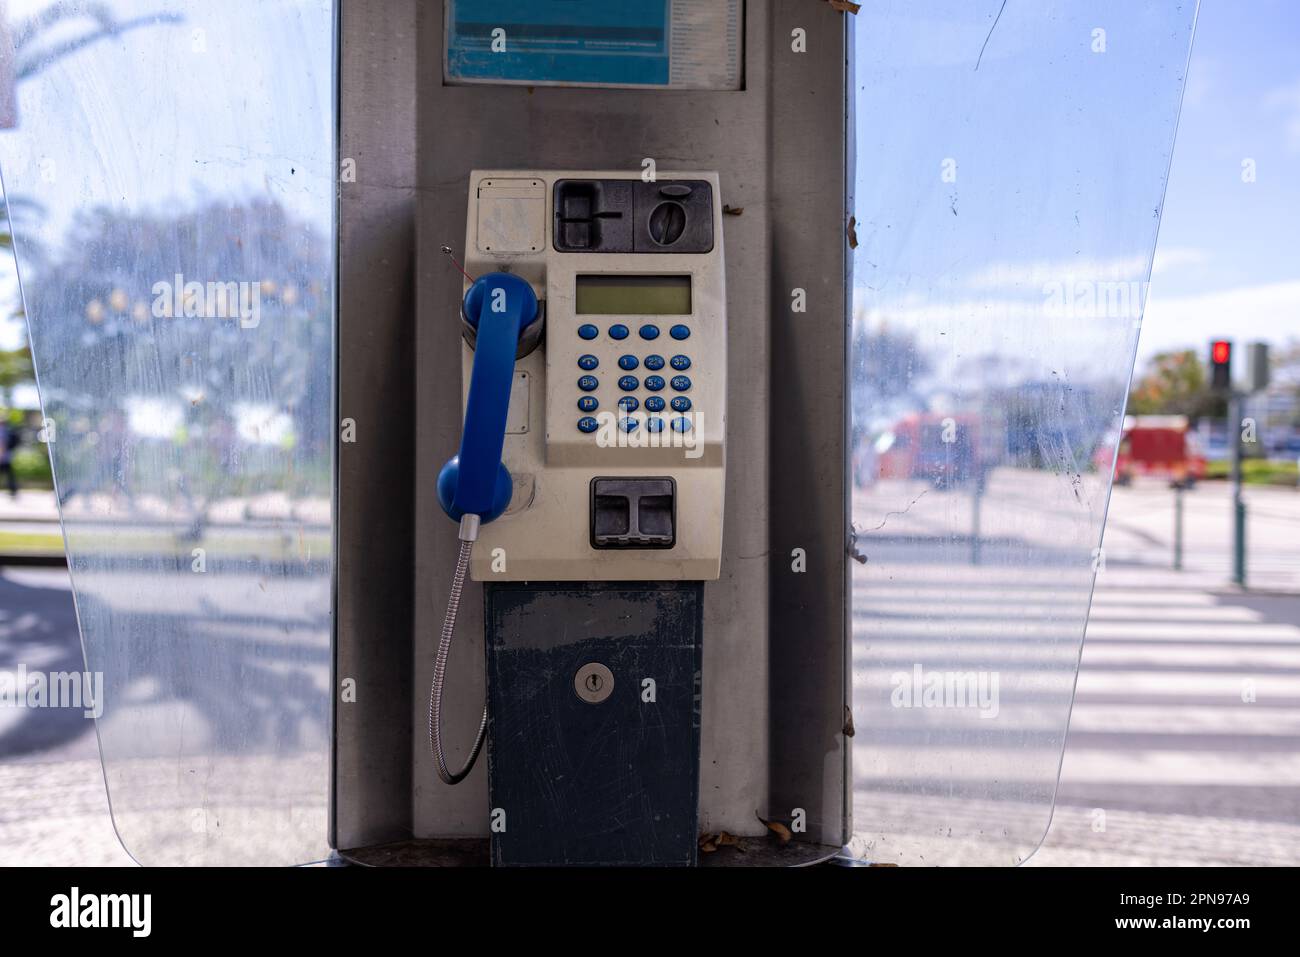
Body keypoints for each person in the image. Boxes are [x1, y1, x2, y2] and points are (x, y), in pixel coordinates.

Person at [0, 416, 18, 498]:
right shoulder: (7, 430)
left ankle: (13, 490)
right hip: (6, 457)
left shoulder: (4, 431)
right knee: (9, 475)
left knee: (9, 475)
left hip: (4, 457)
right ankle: (13, 490)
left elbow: (3, 443)